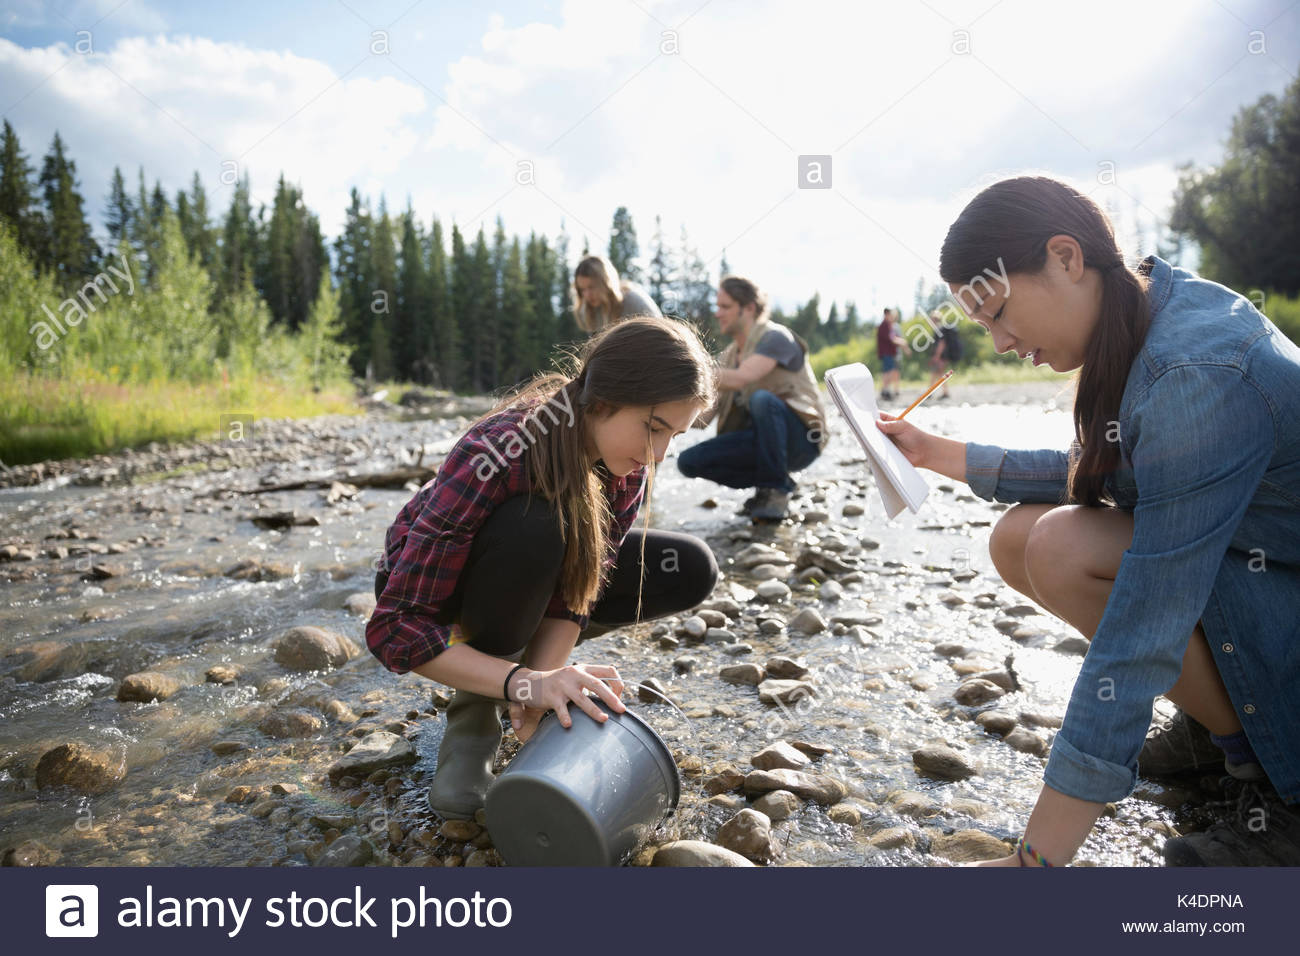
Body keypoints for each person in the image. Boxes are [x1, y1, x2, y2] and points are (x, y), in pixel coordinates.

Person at [877, 174, 1300, 867]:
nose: (1002, 343)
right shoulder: (1148, 307)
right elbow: (1120, 473)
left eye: (999, 313)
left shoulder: (1193, 373)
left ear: (1066, 257)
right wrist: (936, 453)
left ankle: (1283, 787)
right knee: (1023, 537)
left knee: (1061, 547)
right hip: (1271, 563)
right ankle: (1223, 733)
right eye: (983, 327)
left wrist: (1035, 862)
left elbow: (1144, 626)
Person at [367, 317, 719, 820]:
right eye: (654, 428)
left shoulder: (627, 469)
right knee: (539, 528)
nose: (657, 455)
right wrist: (525, 684)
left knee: (689, 567)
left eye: (674, 436)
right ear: (603, 399)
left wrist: (548, 678)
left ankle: (508, 671)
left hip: (530, 574)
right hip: (432, 594)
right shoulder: (496, 452)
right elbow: (393, 628)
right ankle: (475, 709)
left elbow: (577, 591)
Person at [677, 275, 828, 522]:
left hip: (803, 440)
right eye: (718, 307)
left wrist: (690, 372)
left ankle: (775, 490)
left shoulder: (776, 337)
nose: (718, 314)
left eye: (725, 307)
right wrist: (665, 409)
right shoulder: (728, 357)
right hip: (761, 444)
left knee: (761, 399)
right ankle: (768, 487)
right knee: (688, 461)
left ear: (749, 308)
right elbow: (704, 417)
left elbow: (741, 378)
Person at [573, 255, 662, 333]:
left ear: (605, 283)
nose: (587, 295)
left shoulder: (634, 301)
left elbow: (662, 336)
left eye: (591, 287)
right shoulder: (588, 312)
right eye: (582, 290)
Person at [875, 307, 910, 401]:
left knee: (889, 371)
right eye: (890, 315)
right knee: (888, 372)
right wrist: (902, 342)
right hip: (887, 353)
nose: (892, 317)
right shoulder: (884, 325)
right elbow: (891, 339)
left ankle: (886, 390)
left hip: (889, 352)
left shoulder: (887, 325)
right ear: (886, 315)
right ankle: (885, 390)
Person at [927, 308, 962, 400]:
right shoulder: (941, 329)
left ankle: (932, 393)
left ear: (934, 320)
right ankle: (943, 392)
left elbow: (941, 344)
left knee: (937, 373)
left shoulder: (939, 330)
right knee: (938, 374)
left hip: (941, 357)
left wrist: (936, 356)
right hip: (943, 356)